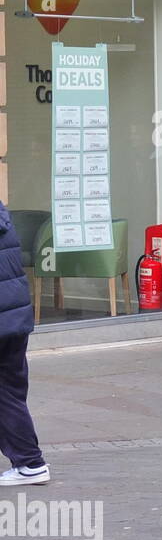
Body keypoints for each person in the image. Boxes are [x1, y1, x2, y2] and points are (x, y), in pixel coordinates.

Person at [0, 200, 50, 485]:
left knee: (6, 394)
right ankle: (29, 462)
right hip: (14, 319)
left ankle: (31, 463)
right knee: (10, 391)